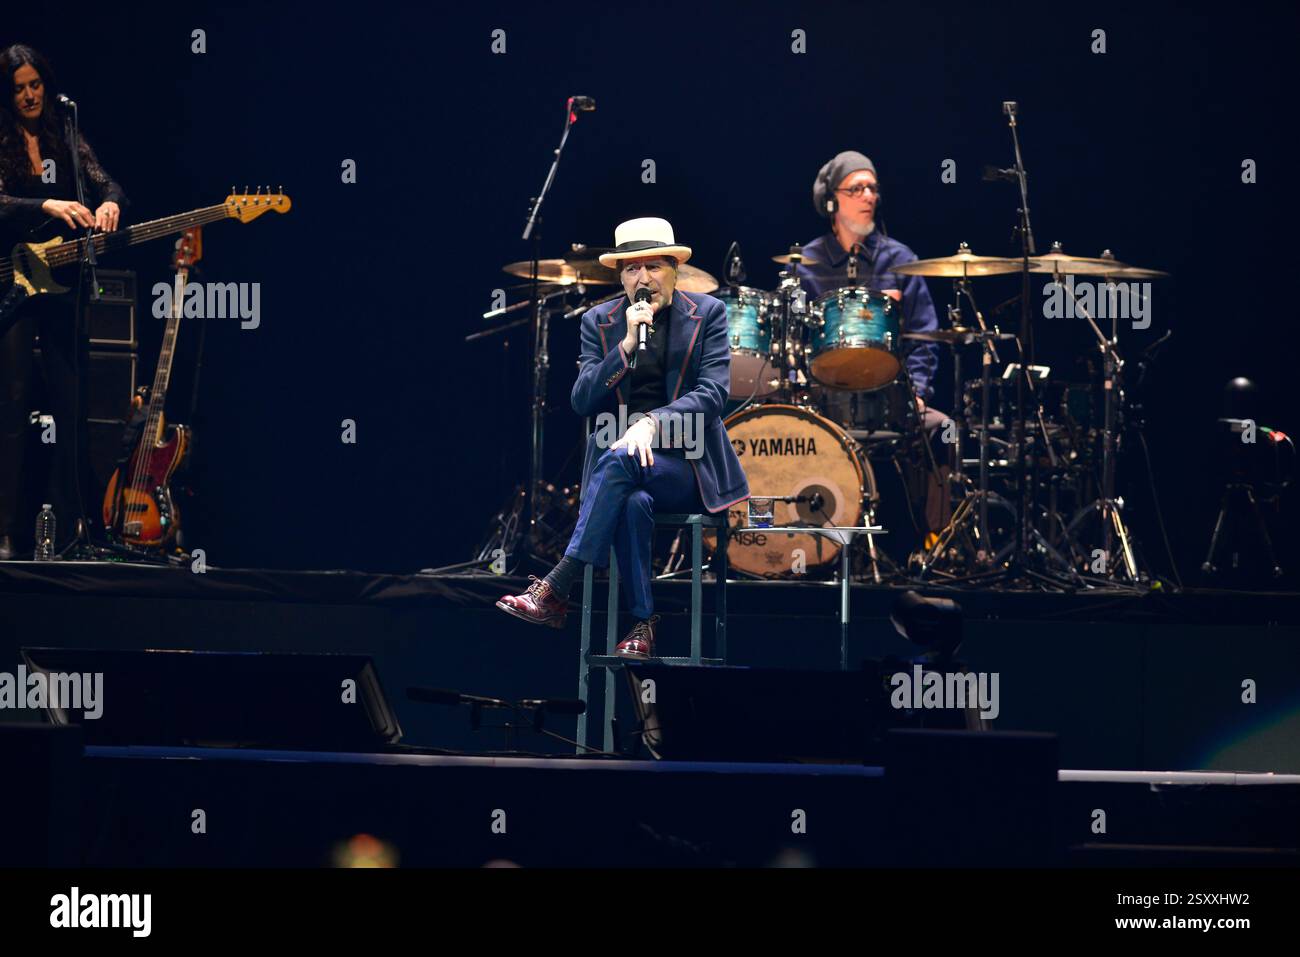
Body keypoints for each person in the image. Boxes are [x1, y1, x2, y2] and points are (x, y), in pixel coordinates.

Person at [496, 217, 748, 658]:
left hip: (687, 463)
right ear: (621, 277)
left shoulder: (708, 312)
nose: (643, 278)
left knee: (619, 459)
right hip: (626, 465)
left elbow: (713, 394)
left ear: (675, 270)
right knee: (631, 499)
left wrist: (652, 423)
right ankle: (643, 624)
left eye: (653, 266)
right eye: (632, 269)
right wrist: (626, 347)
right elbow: (582, 400)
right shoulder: (600, 321)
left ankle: (557, 586)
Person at [0, 43, 126, 558]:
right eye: (19, 89)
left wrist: (111, 203)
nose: (30, 95)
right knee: (12, 402)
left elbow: (105, 181)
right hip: (12, 282)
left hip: (61, 284)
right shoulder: (2, 138)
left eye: (36, 85)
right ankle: (6, 530)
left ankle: (74, 528)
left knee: (71, 402)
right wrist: (46, 203)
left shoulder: (65, 133)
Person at [795, 151, 951, 548]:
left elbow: (924, 337)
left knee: (946, 430)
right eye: (857, 189)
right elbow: (792, 341)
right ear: (831, 201)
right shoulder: (807, 263)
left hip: (891, 402)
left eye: (873, 189)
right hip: (824, 401)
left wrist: (918, 392)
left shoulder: (901, 260)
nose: (869, 197)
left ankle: (934, 546)